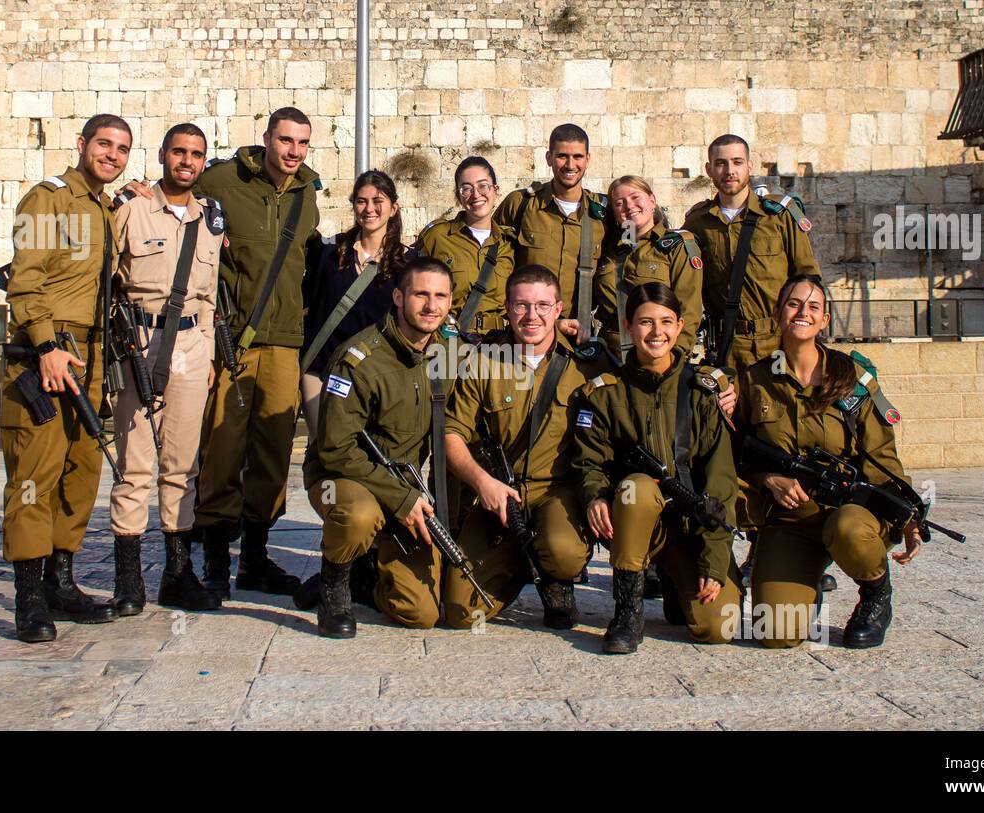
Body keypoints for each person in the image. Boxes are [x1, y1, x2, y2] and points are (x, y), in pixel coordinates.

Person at [733, 275, 920, 649]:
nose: (803, 312)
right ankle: (808, 585)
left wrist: (911, 514)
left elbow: (883, 458)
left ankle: (875, 594)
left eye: (813, 306)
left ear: (825, 321)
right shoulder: (755, 381)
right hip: (792, 521)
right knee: (775, 633)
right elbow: (737, 451)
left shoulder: (852, 380)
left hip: (850, 513)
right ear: (777, 313)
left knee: (849, 530)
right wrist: (770, 478)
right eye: (793, 303)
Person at [0, 114, 130, 642]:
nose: (112, 156)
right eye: (104, 145)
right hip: (48, 350)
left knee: (81, 469)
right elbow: (24, 280)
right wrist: (46, 344)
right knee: (36, 472)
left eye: (122, 149)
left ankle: (61, 582)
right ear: (82, 145)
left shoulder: (105, 208)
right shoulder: (47, 199)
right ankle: (28, 598)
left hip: (94, 353)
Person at [681, 133, 821, 583]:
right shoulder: (698, 222)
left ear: (751, 165)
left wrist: (807, 344)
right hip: (725, 353)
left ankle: (799, 546)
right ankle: (742, 542)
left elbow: (807, 281)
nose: (729, 171)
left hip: (775, 349)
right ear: (709, 169)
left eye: (737, 162)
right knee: (734, 448)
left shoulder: (780, 216)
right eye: (720, 163)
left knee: (784, 445)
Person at [193, 107, 321, 599]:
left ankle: (255, 557)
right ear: (266, 138)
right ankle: (213, 563)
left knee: (272, 452)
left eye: (302, 143)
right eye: (285, 140)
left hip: (286, 342)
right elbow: (179, 206)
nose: (293, 151)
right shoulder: (221, 181)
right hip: (234, 339)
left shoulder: (308, 194)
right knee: (223, 449)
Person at [573, 283, 742, 654]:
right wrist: (595, 496)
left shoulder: (702, 392)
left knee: (717, 628)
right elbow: (591, 461)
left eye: (666, 322)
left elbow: (721, 481)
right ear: (628, 326)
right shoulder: (606, 392)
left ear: (680, 326)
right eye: (645, 322)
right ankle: (628, 609)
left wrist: (714, 561)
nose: (656, 332)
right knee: (636, 486)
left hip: (690, 528)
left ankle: (674, 581)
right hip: (637, 523)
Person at [440, 264, 604, 630]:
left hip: (556, 492)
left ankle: (557, 578)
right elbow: (451, 432)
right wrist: (482, 483)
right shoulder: (483, 363)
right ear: (507, 309)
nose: (532, 316)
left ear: (559, 310)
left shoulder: (585, 364)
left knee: (563, 553)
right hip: (499, 493)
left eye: (543, 306)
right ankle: (518, 561)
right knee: (462, 613)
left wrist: (720, 384)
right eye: (522, 306)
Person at [302, 257, 454, 637]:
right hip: (342, 479)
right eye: (421, 294)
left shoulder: (448, 354)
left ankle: (366, 578)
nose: (431, 306)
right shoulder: (360, 359)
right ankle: (333, 587)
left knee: (421, 613)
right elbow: (336, 449)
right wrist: (401, 500)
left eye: (441, 296)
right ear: (399, 297)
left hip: (404, 484)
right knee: (359, 515)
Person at [107, 123, 223, 616]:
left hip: (193, 344)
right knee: (134, 465)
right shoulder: (129, 210)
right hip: (140, 342)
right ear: (162, 155)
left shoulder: (211, 219)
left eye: (196, 154)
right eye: (179, 151)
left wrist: (212, 352)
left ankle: (178, 574)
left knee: (183, 465)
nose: (187, 161)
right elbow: (106, 282)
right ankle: (129, 580)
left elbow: (212, 292)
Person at [300, 169, 412, 429]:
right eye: (361, 201)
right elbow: (306, 303)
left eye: (378, 201)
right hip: (323, 372)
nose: (369, 209)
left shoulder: (407, 264)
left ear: (393, 208)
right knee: (324, 454)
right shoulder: (329, 254)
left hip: (377, 377)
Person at [494, 123, 607, 345]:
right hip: (525, 332)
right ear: (548, 158)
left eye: (577, 157)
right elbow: (493, 263)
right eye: (562, 156)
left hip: (577, 335)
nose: (570, 165)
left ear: (588, 159)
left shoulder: (603, 214)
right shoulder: (520, 204)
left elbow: (629, 247)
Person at [594, 175, 703, 361]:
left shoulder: (677, 247)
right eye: (620, 203)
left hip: (657, 355)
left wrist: (675, 358)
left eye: (636, 198)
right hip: (609, 355)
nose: (629, 206)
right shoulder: (606, 250)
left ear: (652, 201)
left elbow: (689, 311)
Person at [415, 156, 515, 339]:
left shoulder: (510, 243)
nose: (476, 194)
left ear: (496, 190)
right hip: (450, 343)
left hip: (500, 345)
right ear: (458, 197)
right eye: (466, 188)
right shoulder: (437, 237)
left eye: (483, 185)